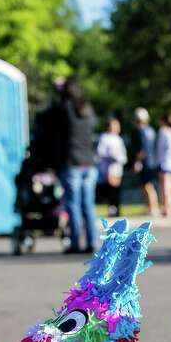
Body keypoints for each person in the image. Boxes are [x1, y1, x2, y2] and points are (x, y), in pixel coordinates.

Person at [45, 78, 98, 253]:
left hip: (71, 162)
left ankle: (75, 242)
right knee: (88, 205)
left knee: (73, 204)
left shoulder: (63, 109)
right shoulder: (87, 109)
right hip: (89, 162)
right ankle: (92, 241)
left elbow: (52, 132)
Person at [96, 116, 127, 218]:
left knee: (117, 191)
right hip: (108, 169)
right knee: (110, 191)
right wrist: (111, 157)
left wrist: (120, 159)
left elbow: (123, 155)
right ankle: (112, 209)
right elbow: (100, 153)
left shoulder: (119, 139)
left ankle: (117, 209)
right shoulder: (104, 138)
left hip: (117, 169)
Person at [132, 108, 159, 216]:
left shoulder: (140, 131)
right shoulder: (151, 130)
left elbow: (141, 150)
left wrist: (137, 162)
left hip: (145, 162)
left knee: (146, 186)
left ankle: (152, 208)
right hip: (152, 161)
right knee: (149, 185)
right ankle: (152, 207)